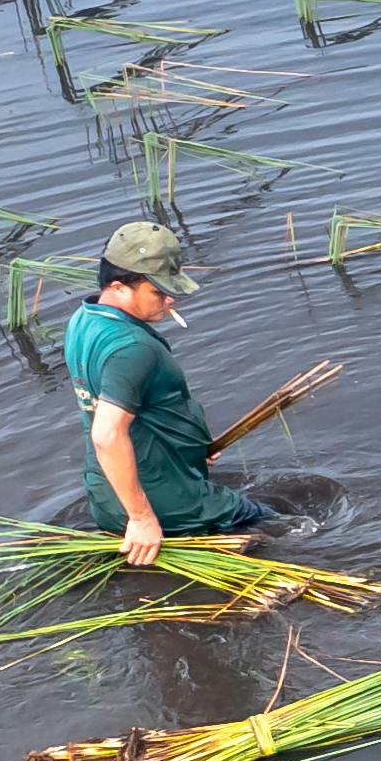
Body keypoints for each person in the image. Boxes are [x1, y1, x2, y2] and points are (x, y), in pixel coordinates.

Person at [66, 220, 275, 563]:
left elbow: (130, 406)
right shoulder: (132, 349)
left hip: (106, 496)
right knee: (287, 525)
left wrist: (185, 443)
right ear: (119, 287)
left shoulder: (84, 319)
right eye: (157, 291)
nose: (169, 298)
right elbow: (106, 435)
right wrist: (142, 518)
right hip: (167, 502)